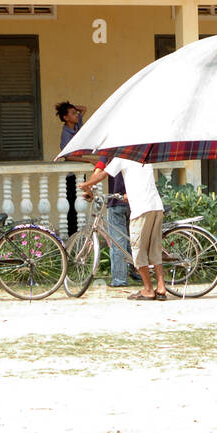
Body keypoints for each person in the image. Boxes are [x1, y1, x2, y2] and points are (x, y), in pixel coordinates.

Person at [80, 157, 168, 300]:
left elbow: (102, 174)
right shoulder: (144, 157)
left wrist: (86, 184)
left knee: (137, 250)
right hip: (156, 206)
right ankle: (161, 287)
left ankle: (148, 290)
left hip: (141, 209)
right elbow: (140, 181)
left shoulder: (122, 157)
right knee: (154, 249)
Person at [56, 101, 87, 234]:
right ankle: (72, 233)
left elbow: (84, 108)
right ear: (65, 117)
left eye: (75, 113)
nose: (76, 115)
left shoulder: (76, 126)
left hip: (79, 172)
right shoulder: (66, 133)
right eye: (72, 114)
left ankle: (79, 232)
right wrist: (88, 159)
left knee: (81, 202)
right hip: (71, 175)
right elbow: (67, 156)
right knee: (72, 205)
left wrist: (69, 107)